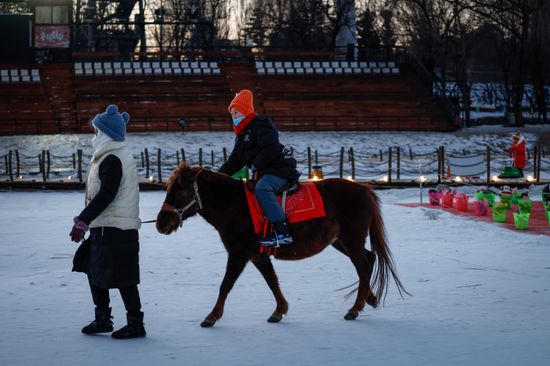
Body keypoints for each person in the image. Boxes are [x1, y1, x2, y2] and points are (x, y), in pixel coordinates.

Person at [70, 104, 145, 339]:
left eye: (96, 131)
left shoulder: (112, 158)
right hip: (105, 225)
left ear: (105, 133)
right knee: (93, 267)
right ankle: (103, 318)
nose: (94, 135)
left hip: (116, 227)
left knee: (123, 276)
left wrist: (83, 220)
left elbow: (106, 194)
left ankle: (135, 323)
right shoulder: (109, 155)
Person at [218, 89, 300, 246]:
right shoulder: (242, 135)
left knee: (262, 188)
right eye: (232, 114)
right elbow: (235, 161)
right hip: (266, 170)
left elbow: (272, 148)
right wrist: (216, 177)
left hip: (280, 169)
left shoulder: (260, 126)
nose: (233, 117)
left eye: (236, 112)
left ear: (245, 111)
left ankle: (282, 232)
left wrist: (256, 165)